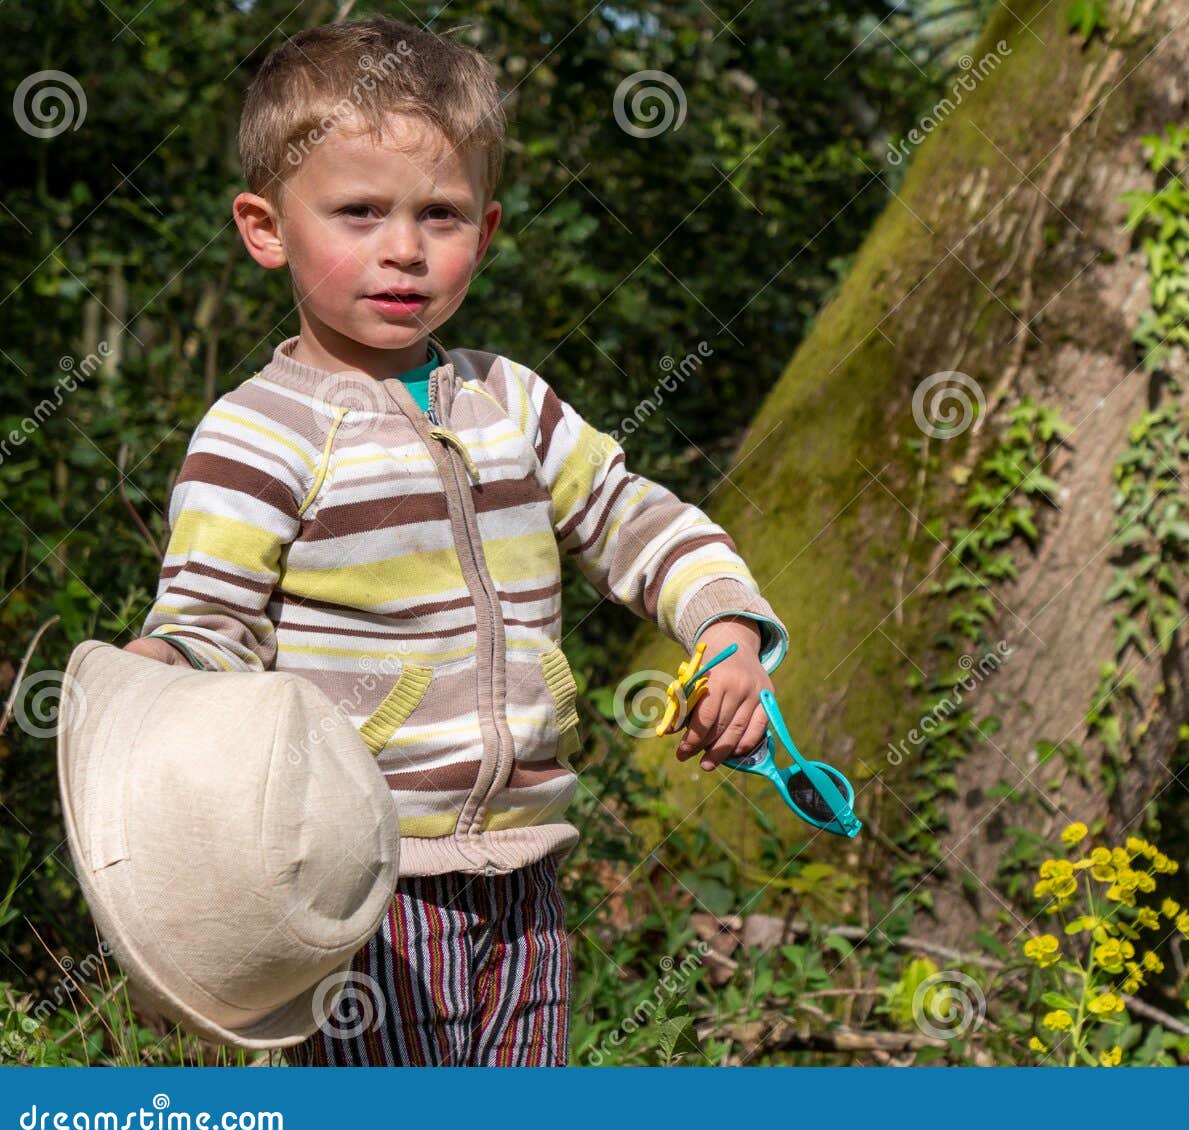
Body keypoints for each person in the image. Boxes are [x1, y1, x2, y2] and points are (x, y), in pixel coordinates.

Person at [122, 14, 788, 1066]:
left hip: (524, 871)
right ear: (265, 227)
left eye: (439, 213)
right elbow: (211, 626)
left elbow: (631, 513)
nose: (403, 248)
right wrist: (145, 685)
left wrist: (728, 626)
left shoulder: (509, 401)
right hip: (356, 883)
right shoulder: (258, 431)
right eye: (358, 212)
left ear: (487, 225)